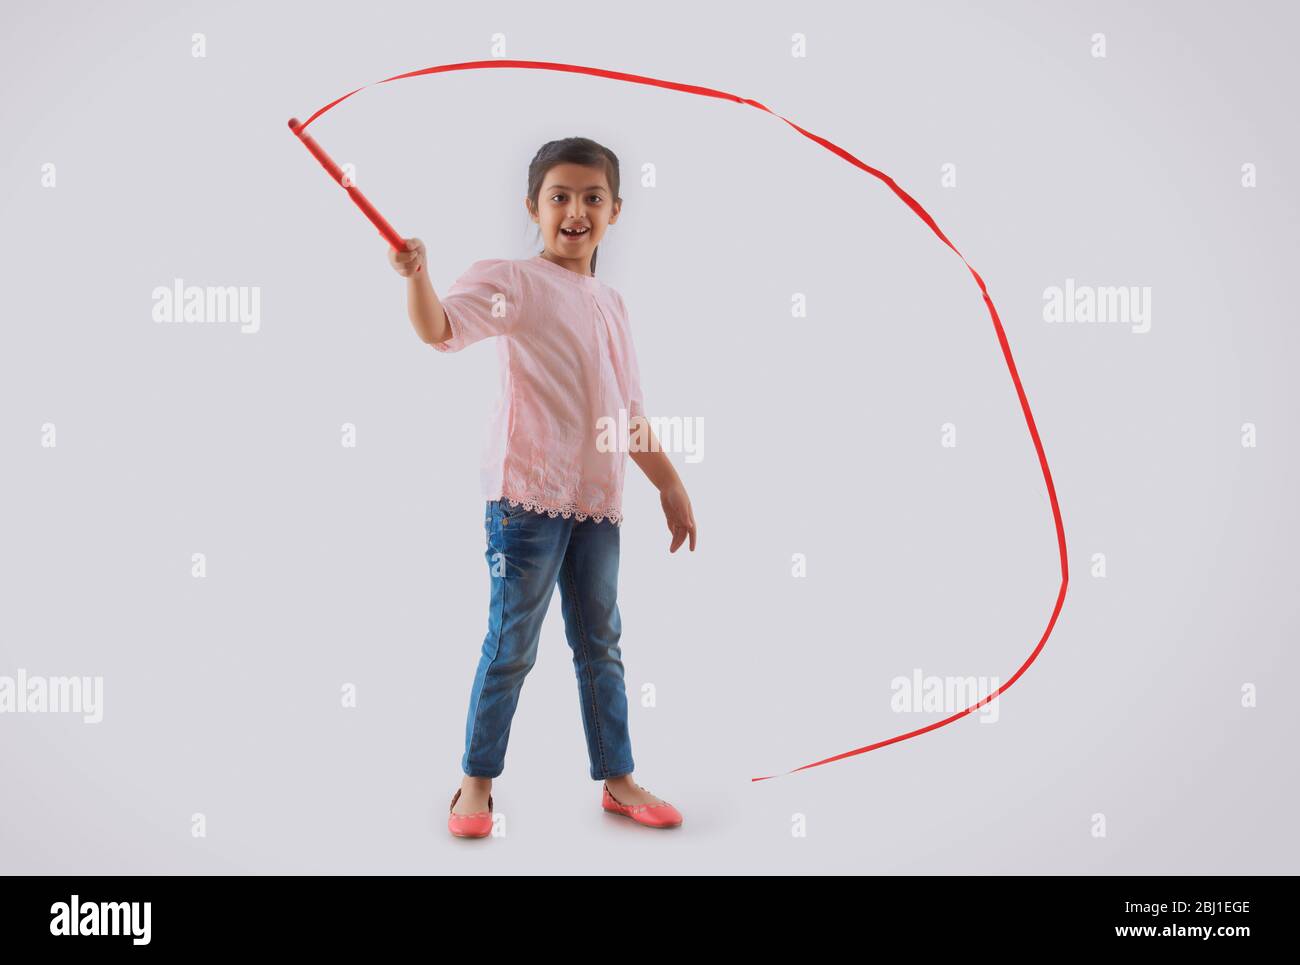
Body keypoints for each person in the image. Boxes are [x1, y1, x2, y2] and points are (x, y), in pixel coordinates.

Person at [388, 137, 698, 838]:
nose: (576, 210)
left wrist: (670, 486)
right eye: (559, 196)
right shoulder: (516, 283)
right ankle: (474, 783)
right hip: (525, 501)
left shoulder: (612, 304)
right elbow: (440, 328)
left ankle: (618, 779)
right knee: (511, 644)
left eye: (592, 197)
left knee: (601, 645)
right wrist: (418, 276)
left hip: (598, 506)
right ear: (533, 206)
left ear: (616, 210)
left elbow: (630, 413)